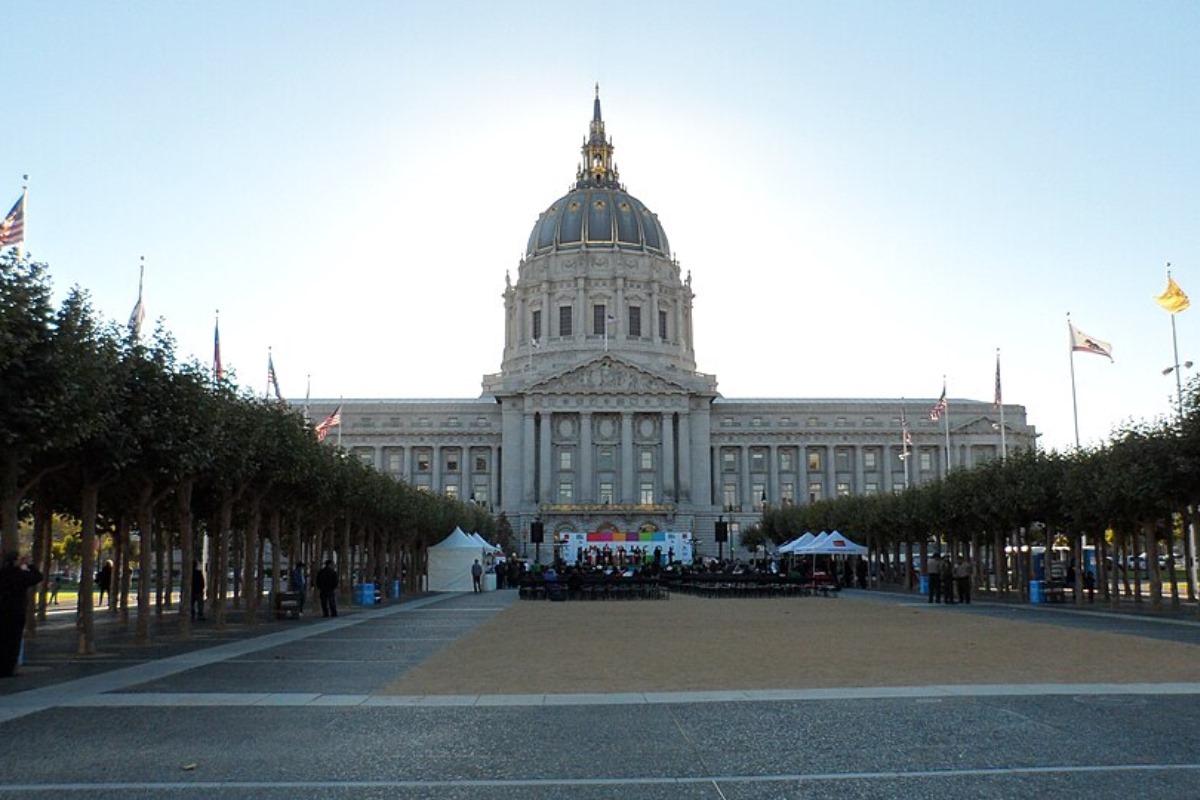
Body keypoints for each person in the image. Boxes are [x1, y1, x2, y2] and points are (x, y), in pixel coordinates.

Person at [0, 551, 44, 678]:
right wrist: (29, 565)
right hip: (16, 609)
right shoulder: (20, 575)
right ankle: (8, 669)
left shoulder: (3, 573)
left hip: (3, 608)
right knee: (13, 640)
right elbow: (37, 577)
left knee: (3, 638)